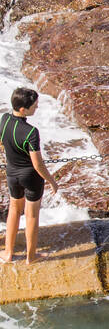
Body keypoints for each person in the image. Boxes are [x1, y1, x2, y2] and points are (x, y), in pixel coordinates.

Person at [1, 87, 59, 264]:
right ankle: (31, 257)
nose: (37, 107)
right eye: (34, 105)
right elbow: (38, 164)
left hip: (11, 174)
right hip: (30, 177)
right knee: (31, 215)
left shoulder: (4, 119)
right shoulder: (31, 132)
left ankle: (8, 253)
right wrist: (51, 181)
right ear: (22, 109)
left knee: (14, 211)